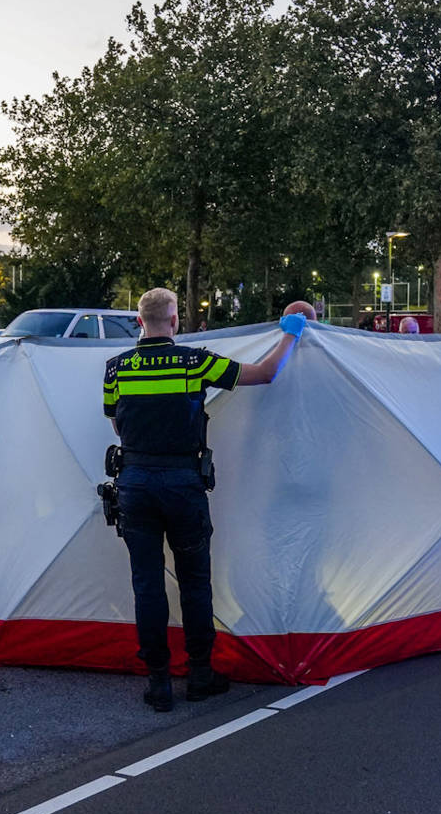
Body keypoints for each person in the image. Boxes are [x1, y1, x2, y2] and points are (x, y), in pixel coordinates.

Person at [104, 287, 301, 712]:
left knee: (147, 584)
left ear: (140, 322)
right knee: (195, 580)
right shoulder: (195, 361)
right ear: (174, 322)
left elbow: (118, 426)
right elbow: (265, 373)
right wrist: (291, 333)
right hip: (181, 483)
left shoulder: (115, 369)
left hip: (134, 483)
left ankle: (158, 682)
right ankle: (199, 674)